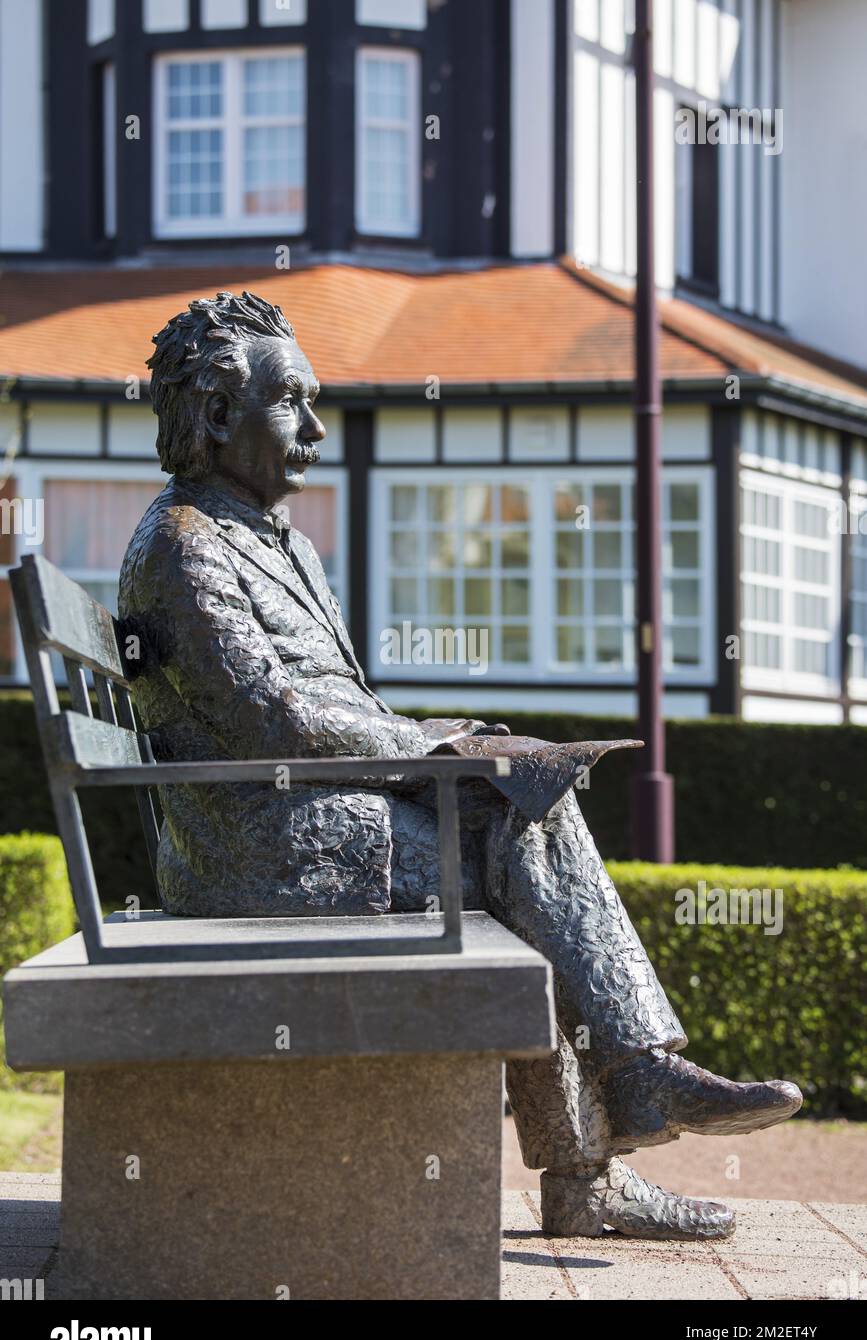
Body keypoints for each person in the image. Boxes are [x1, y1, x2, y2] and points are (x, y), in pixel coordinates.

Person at [119, 292, 801, 1239]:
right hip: (252, 841)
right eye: (293, 404)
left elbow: (341, 711)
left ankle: (617, 1116)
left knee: (522, 800)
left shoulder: (279, 545)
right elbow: (274, 720)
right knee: (514, 825)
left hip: (304, 815)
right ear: (219, 414)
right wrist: (442, 753)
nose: (316, 428)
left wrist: (460, 741)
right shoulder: (182, 545)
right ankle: (612, 1123)